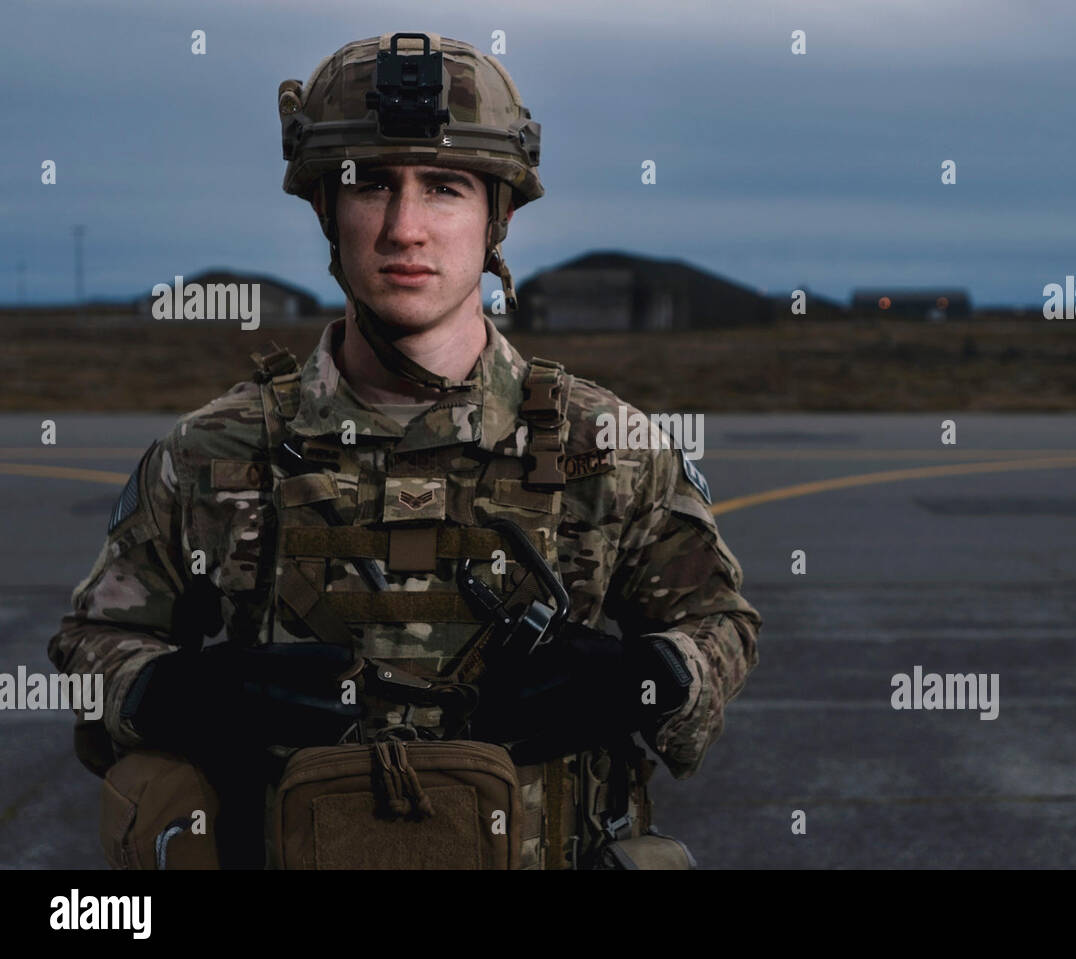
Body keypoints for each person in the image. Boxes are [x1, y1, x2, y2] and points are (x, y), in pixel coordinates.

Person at [48, 31, 760, 870]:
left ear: (495, 214)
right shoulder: (213, 452)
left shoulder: (609, 448)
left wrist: (648, 677)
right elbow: (90, 648)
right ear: (326, 208)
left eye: (444, 187)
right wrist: (181, 693)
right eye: (369, 184)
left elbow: (720, 625)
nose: (403, 227)